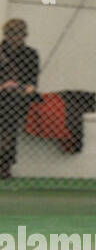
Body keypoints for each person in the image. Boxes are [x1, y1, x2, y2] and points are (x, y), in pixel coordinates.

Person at [0, 19, 41, 180]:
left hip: (19, 96)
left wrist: (21, 87)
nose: (15, 39)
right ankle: (5, 163)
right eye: (11, 35)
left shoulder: (31, 54)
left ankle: (4, 162)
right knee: (8, 111)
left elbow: (32, 83)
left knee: (9, 108)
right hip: (4, 95)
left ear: (24, 36)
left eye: (18, 35)